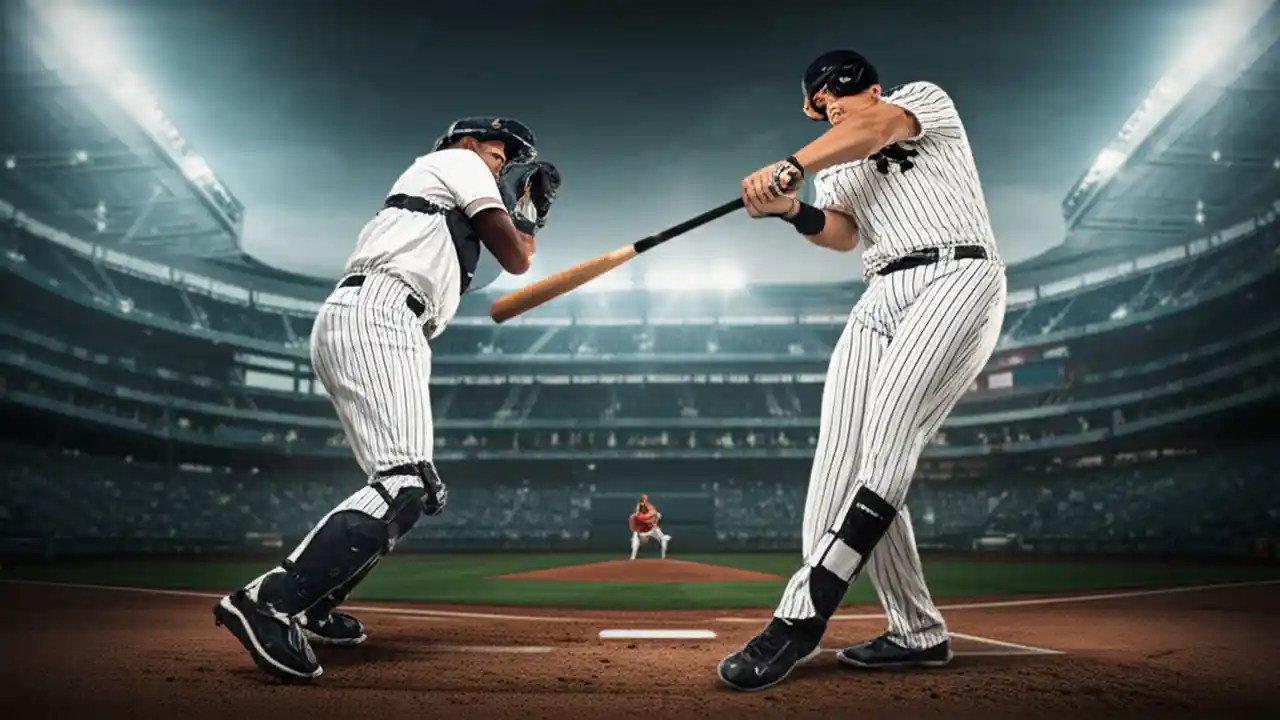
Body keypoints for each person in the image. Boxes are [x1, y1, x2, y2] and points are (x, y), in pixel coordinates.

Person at [213, 117, 561, 680]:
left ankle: (314, 602)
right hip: (380, 313)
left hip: (390, 321)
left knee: (416, 489)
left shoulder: (448, 206)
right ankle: (268, 601)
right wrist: (525, 213)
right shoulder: (456, 161)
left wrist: (529, 215)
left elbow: (514, 256)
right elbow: (518, 259)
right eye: (499, 155)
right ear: (467, 142)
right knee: (403, 484)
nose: (502, 166)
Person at [717, 50, 1007, 691]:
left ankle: (799, 618)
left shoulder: (920, 100)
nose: (830, 111)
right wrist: (791, 210)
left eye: (834, 99)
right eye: (820, 107)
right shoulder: (834, 161)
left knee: (887, 441)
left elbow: (876, 129)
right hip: (880, 293)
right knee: (836, 473)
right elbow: (845, 233)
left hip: (956, 273)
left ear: (868, 88)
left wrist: (791, 165)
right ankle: (918, 632)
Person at [629, 494, 672, 560]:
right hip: (641, 530)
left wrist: (656, 516)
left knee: (663, 539)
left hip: (652, 529)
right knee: (635, 541)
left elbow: (657, 516)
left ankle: (663, 558)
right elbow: (635, 526)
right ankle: (632, 558)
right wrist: (640, 536)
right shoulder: (635, 516)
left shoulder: (650, 510)